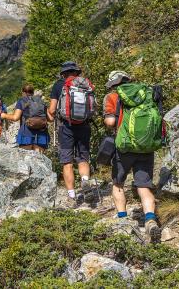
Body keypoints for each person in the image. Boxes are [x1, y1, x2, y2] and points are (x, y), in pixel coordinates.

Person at [103, 70, 160, 242]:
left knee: (118, 182)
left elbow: (111, 122)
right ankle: (150, 219)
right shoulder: (146, 91)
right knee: (144, 184)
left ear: (113, 84)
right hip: (146, 146)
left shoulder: (113, 97)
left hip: (125, 146)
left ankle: (122, 219)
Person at [48, 61, 93, 208]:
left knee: (67, 162)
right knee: (83, 157)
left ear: (63, 73)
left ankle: (72, 197)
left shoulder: (58, 85)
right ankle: (85, 181)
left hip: (66, 127)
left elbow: (53, 110)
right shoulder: (85, 83)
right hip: (84, 125)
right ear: (76, 72)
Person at [3, 83, 49, 152]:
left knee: (26, 160)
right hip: (41, 135)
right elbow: (50, 119)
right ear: (33, 92)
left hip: (26, 134)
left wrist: (4, 115)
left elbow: (16, 117)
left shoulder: (21, 101)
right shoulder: (41, 101)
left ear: (23, 92)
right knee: (39, 160)